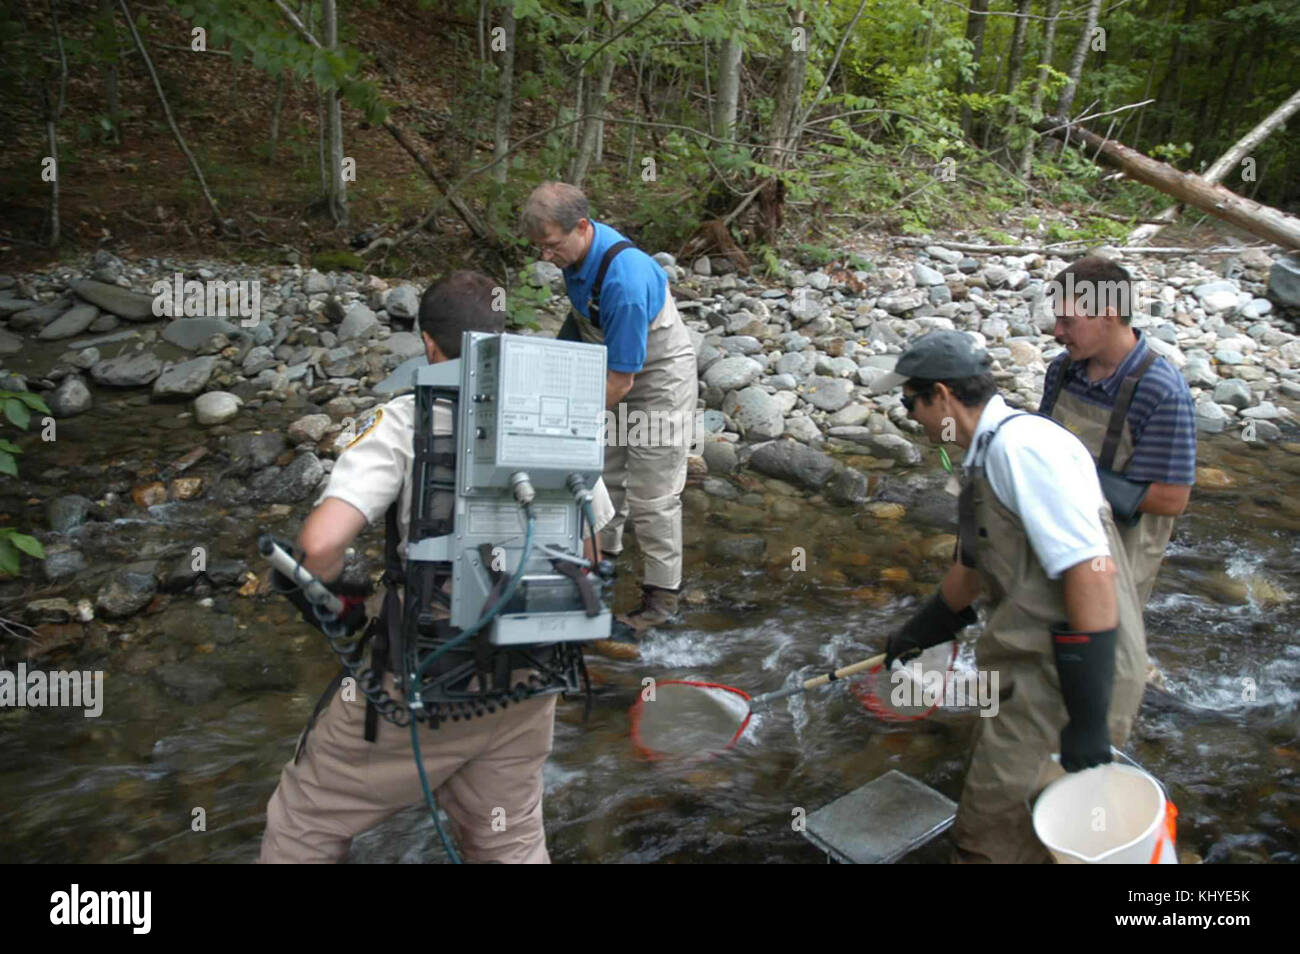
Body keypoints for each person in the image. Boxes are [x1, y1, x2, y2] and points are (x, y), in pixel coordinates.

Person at [259, 270, 614, 864]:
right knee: (510, 838)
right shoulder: (555, 419)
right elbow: (591, 556)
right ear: (501, 336)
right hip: (528, 679)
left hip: (422, 681)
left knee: (305, 820)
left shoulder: (403, 421)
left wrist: (327, 594)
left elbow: (320, 545)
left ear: (430, 344)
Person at [871, 330, 1147, 864]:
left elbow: (1090, 573)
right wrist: (917, 635)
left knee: (988, 840)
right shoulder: (986, 455)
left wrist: (1087, 719)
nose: (910, 417)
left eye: (910, 403)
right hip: (1031, 670)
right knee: (1030, 829)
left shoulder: (1023, 450)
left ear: (943, 397)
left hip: (1068, 680)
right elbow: (972, 569)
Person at [520, 182, 697, 647]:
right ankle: (599, 571)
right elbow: (579, 326)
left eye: (553, 247)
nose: (547, 258)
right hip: (613, 364)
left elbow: (622, 382)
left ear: (582, 226)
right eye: (540, 249)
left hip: (658, 378)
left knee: (653, 495)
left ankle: (662, 603)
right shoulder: (575, 255)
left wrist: (565, 424)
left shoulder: (626, 280)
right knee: (604, 476)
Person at [1040, 255, 1197, 605]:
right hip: (1054, 539)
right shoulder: (1063, 370)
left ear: (1108, 316)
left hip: (1118, 558)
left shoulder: (1162, 392)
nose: (1057, 332)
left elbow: (1172, 499)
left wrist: (1069, 477)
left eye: (1067, 321)